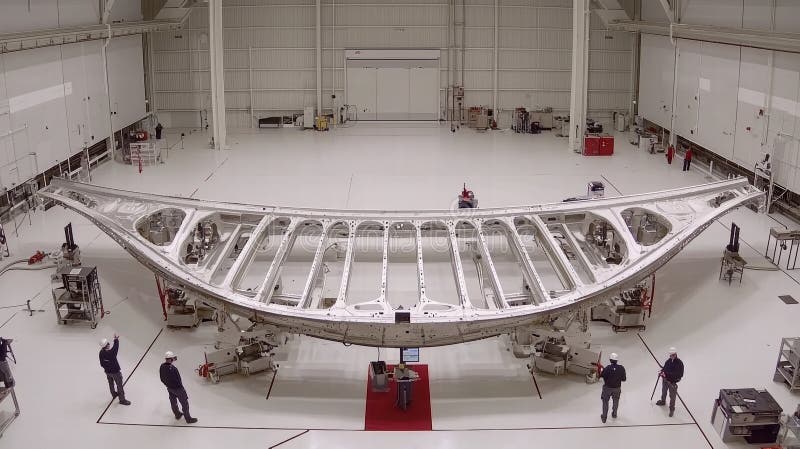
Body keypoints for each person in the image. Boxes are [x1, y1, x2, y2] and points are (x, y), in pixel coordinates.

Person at [159, 351, 197, 423]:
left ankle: (177, 414)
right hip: (178, 389)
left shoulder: (162, 366)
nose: (173, 359)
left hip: (169, 388)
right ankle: (188, 418)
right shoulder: (173, 369)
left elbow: (162, 378)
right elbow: (178, 380)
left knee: (173, 402)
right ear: (170, 359)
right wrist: (180, 388)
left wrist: (167, 385)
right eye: (172, 358)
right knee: (184, 403)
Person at [99, 335, 131, 405]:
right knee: (119, 385)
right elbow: (116, 347)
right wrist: (116, 339)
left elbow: (101, 364)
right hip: (115, 373)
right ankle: (122, 400)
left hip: (107, 372)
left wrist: (107, 368)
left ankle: (113, 394)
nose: (109, 344)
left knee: (111, 383)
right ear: (106, 346)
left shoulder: (101, 353)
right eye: (108, 343)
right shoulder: (111, 353)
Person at [657, 347, 684, 417]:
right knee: (664, 391)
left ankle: (672, 409)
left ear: (676, 354)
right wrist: (662, 371)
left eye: (673, 354)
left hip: (672, 383)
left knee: (672, 397)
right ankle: (663, 401)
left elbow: (679, 374)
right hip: (665, 380)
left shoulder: (679, 363)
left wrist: (667, 374)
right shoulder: (668, 361)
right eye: (671, 354)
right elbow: (665, 368)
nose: (672, 356)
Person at [600, 353, 626, 423]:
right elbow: (624, 379)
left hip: (607, 388)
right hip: (617, 388)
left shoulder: (607, 368)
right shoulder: (621, 368)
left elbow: (601, 375)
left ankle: (604, 417)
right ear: (617, 360)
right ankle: (614, 414)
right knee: (616, 401)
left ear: (610, 360)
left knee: (605, 401)